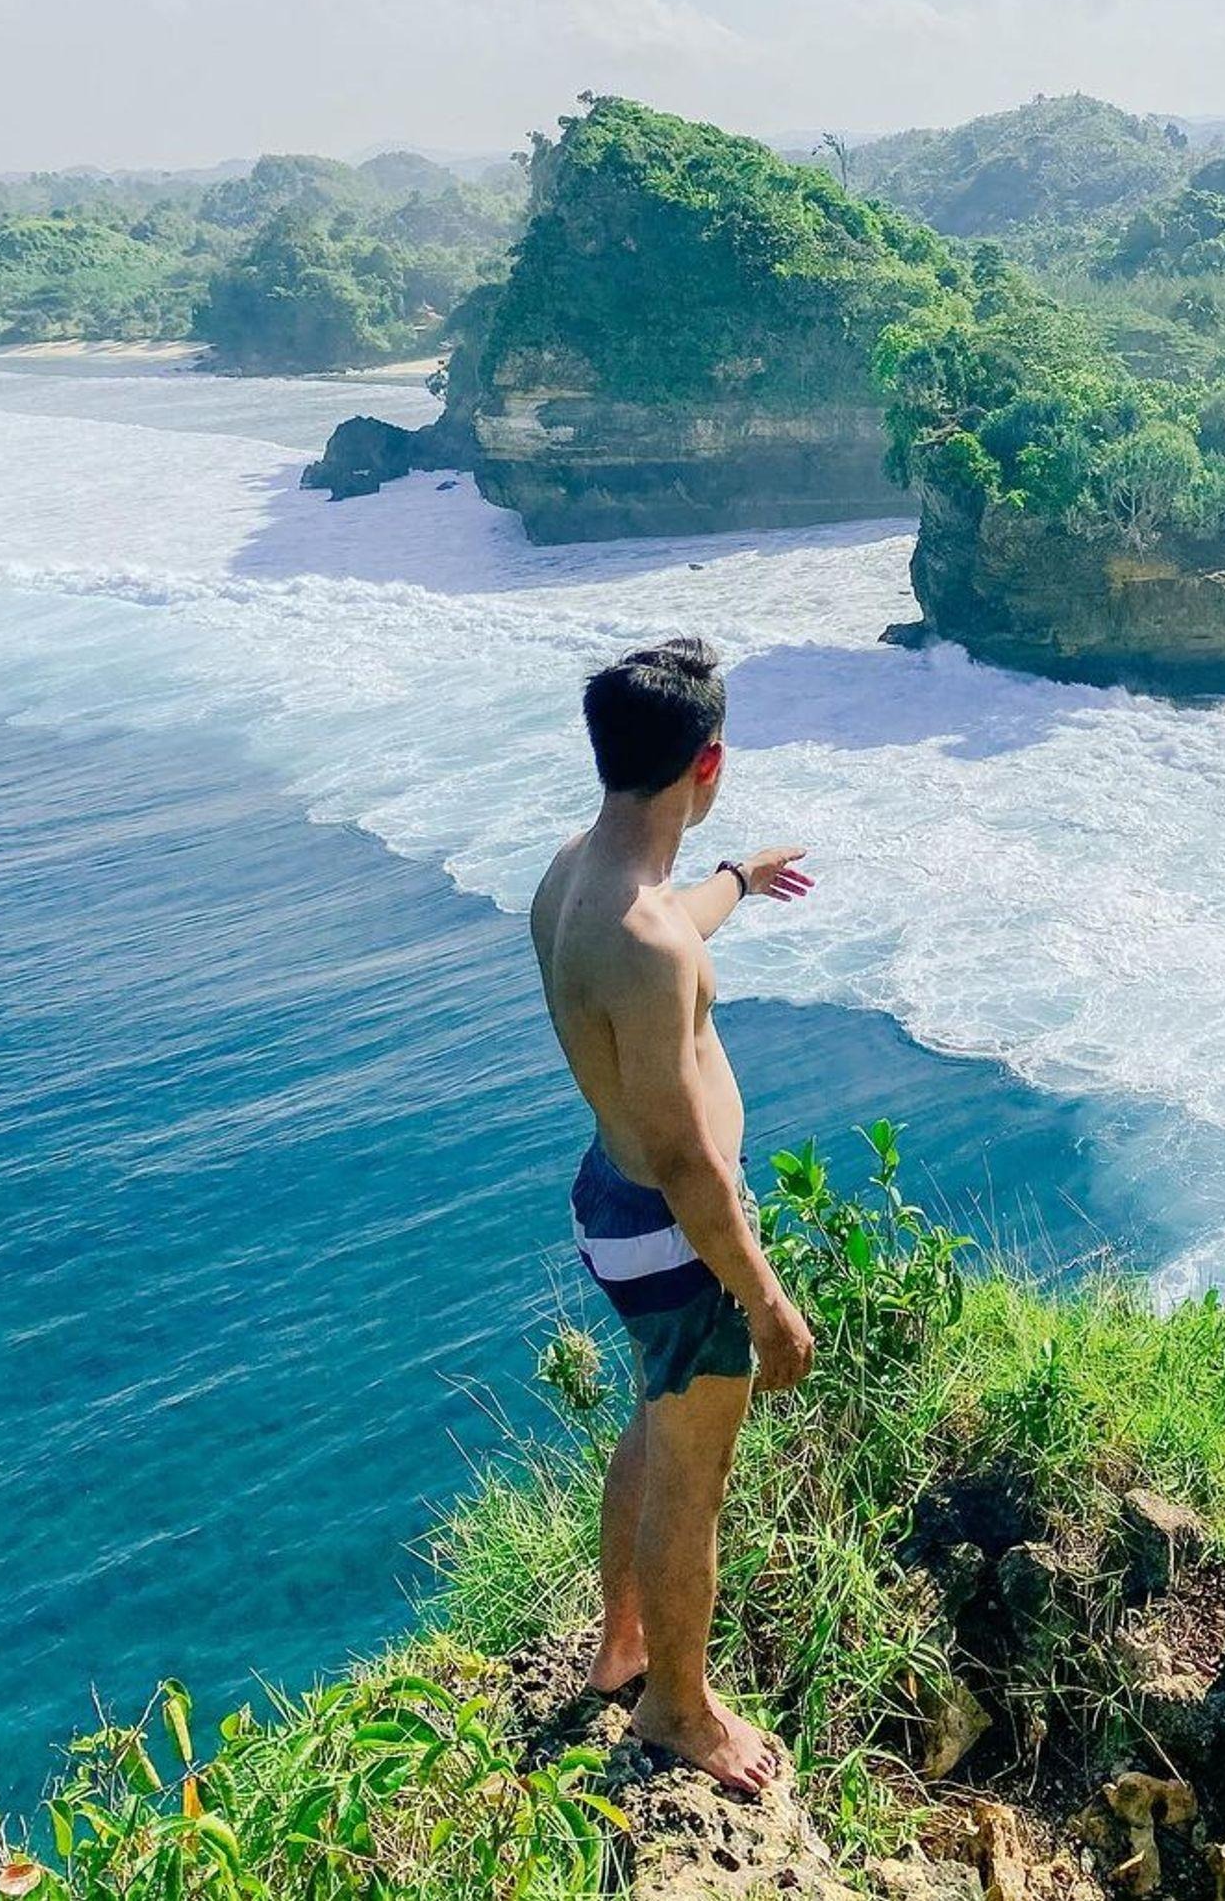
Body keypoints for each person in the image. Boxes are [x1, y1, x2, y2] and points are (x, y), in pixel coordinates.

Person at [529, 636, 817, 1794]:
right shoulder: (645, 943)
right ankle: (677, 1711)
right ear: (710, 762)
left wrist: (739, 876)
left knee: (657, 1427)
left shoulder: (575, 874)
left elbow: (670, 916)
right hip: (673, 1228)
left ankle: (622, 1646)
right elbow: (695, 1163)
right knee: (693, 1479)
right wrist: (767, 1300)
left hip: (611, 1199)